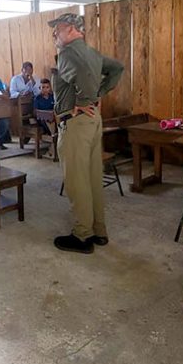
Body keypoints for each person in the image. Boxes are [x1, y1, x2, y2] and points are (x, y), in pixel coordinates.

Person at [49, 13, 124, 254]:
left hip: (76, 124)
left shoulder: (69, 53)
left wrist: (85, 98)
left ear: (71, 29)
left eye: (57, 29)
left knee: (76, 181)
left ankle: (83, 236)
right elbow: (117, 68)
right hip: (92, 122)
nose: (54, 34)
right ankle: (99, 230)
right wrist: (97, 94)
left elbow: (83, 76)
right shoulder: (92, 53)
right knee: (92, 179)